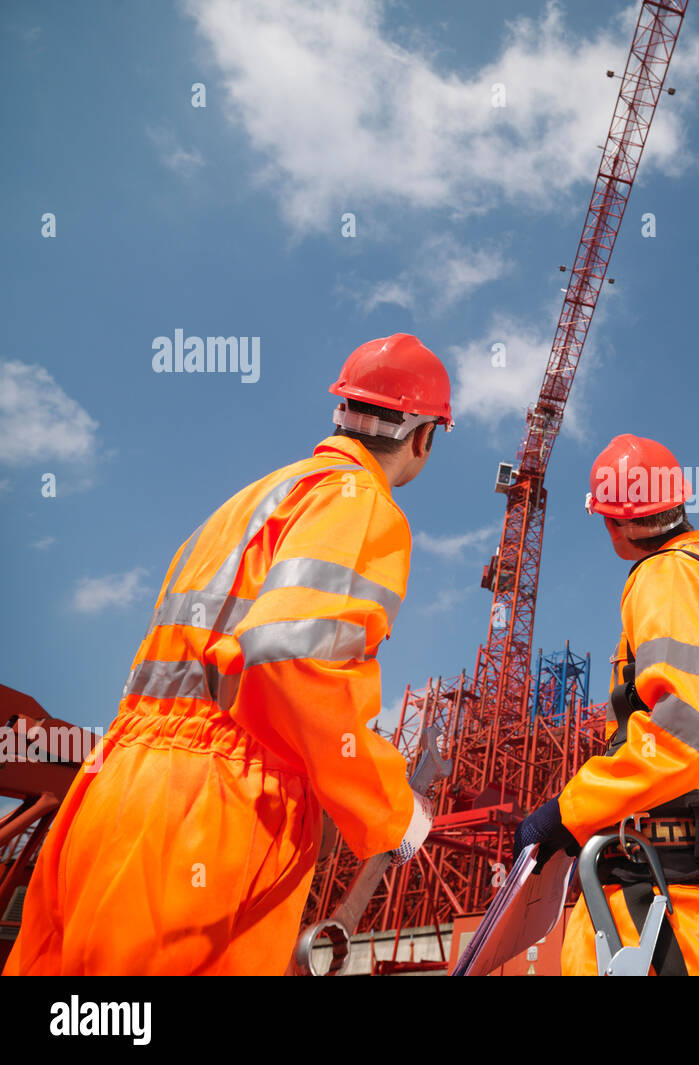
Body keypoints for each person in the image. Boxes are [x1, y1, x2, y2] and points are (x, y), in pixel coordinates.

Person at [3, 334, 452, 976]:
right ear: (425, 437)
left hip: (112, 785)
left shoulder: (248, 502)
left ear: (342, 412)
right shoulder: (361, 506)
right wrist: (391, 810)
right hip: (208, 806)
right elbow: (293, 664)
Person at [515, 434, 699, 975]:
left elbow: (690, 731)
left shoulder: (667, 575)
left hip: (669, 906)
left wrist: (567, 813)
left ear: (615, 524)